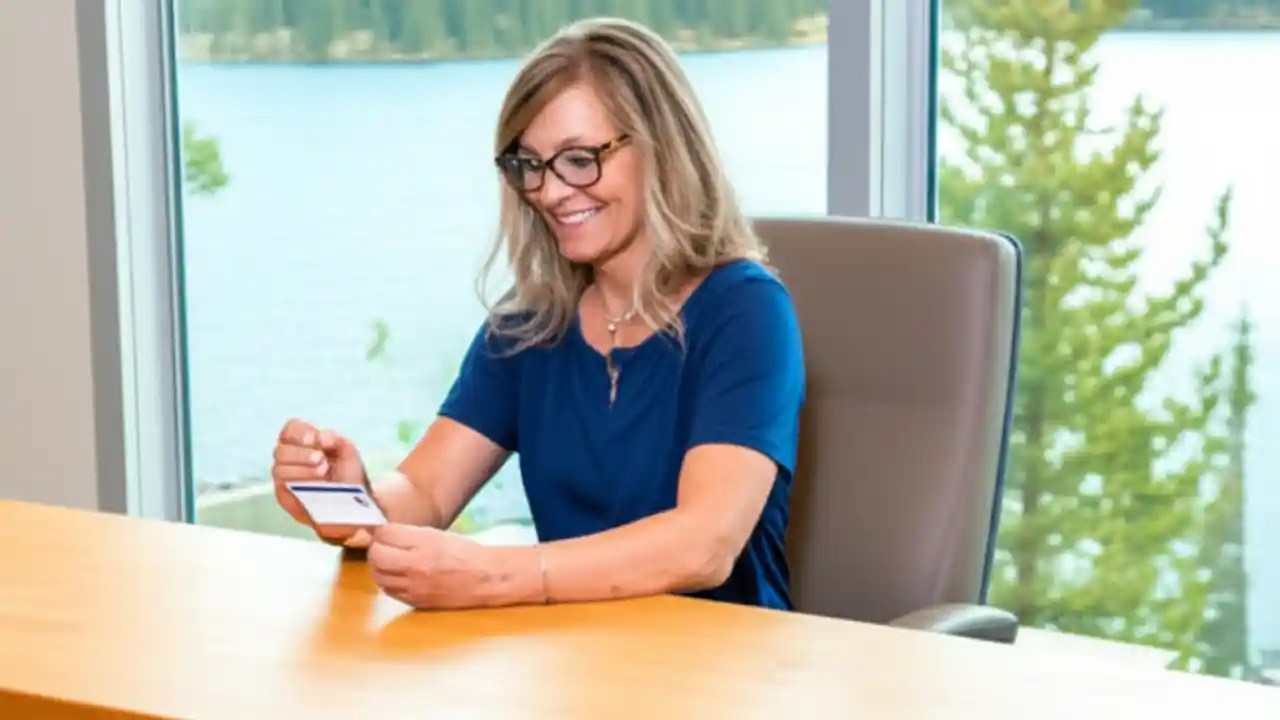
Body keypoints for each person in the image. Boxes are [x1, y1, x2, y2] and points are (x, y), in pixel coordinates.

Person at [270, 17, 805, 612]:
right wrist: (349, 501)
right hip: (570, 656)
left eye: (579, 159)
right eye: (530, 165)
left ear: (662, 149)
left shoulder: (746, 310)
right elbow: (424, 491)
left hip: (726, 658)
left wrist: (499, 575)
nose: (549, 192)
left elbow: (703, 545)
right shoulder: (530, 325)